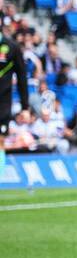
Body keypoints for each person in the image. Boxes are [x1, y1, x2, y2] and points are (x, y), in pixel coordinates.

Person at [0, 30, 29, 174]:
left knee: (0, 140)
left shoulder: (12, 47)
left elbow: (22, 77)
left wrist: (25, 107)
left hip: (2, 103)